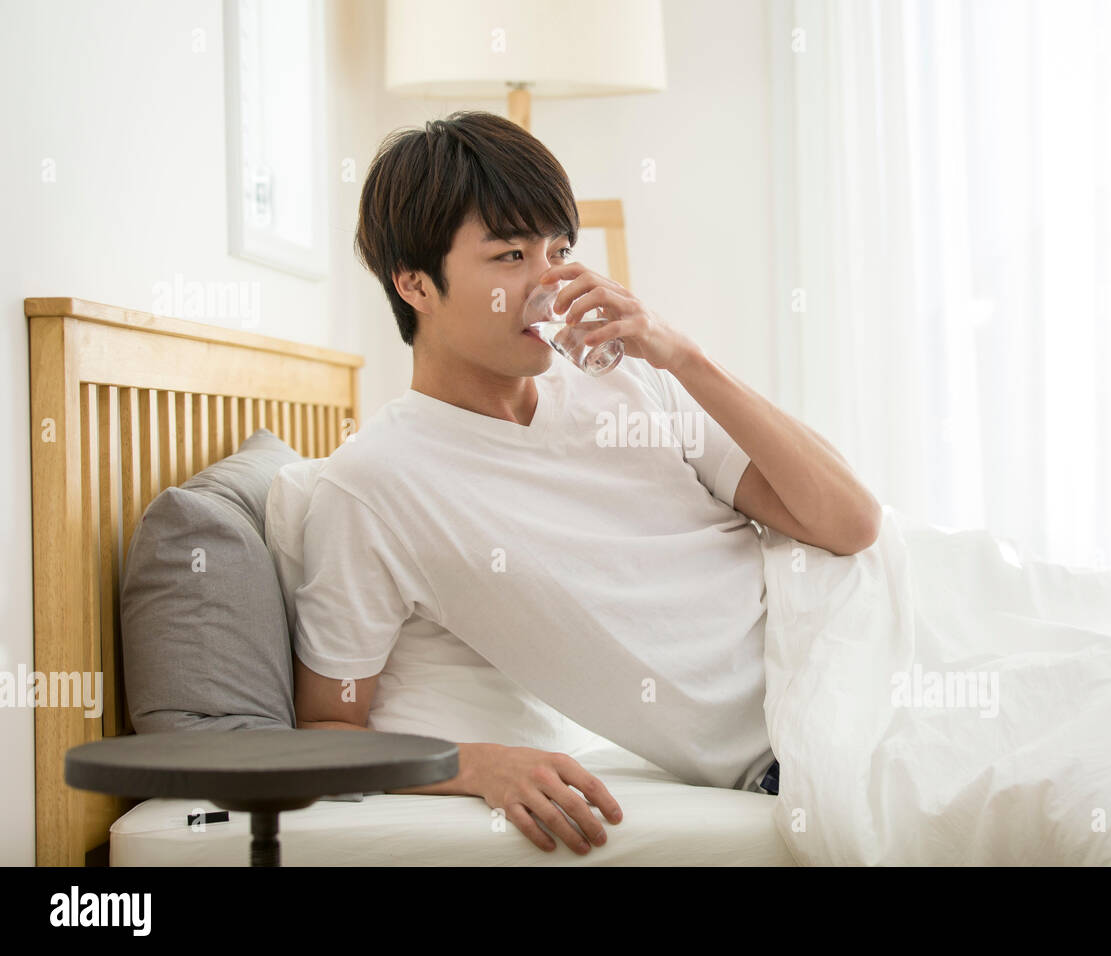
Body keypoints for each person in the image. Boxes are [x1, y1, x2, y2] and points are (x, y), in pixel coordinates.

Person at [292, 110, 881, 856]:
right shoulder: (372, 486)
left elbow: (851, 523)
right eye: (510, 256)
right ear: (415, 284)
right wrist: (476, 765)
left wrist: (683, 357)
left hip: (873, 638)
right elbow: (326, 729)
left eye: (561, 249)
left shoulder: (631, 382)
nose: (551, 283)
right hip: (813, 742)